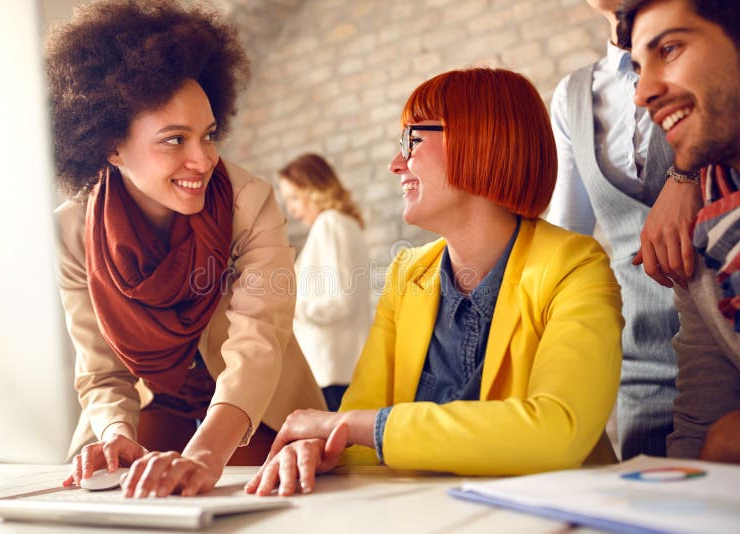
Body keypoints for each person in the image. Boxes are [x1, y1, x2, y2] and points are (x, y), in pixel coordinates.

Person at [245, 68, 625, 496]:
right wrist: (320, 448)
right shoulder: (407, 275)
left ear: (479, 139)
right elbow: (357, 436)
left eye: (412, 140)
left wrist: (350, 427)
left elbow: (559, 432)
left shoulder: (574, 265)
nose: (396, 164)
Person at [46, 0, 325, 497]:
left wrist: (204, 454)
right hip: (154, 406)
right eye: (175, 140)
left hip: (250, 405)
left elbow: (260, 339)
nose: (203, 159)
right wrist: (115, 437)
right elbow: (100, 371)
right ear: (112, 146)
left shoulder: (250, 202)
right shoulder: (71, 232)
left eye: (209, 135)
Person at [546, 0, 701, 459]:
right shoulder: (571, 96)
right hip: (641, 366)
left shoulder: (714, 48)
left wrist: (685, 173)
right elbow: (567, 240)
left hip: (727, 345)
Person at [617, 0, 740, 462]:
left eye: (669, 48)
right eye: (637, 68)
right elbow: (701, 418)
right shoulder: (701, 232)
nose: (642, 92)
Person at [277, 154, 372, 412]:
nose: (292, 209)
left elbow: (342, 301)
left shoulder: (329, 224)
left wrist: (290, 306)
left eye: (294, 197)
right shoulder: (345, 224)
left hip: (333, 369)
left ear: (313, 189)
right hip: (341, 367)